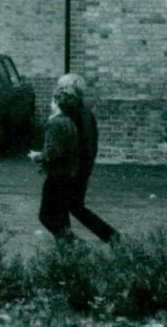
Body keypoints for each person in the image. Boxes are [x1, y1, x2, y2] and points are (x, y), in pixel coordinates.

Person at [56, 75, 116, 243]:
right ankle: (69, 243)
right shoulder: (82, 113)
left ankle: (110, 237)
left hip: (74, 171)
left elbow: (81, 146)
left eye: (61, 88)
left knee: (72, 207)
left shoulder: (77, 115)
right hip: (79, 169)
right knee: (69, 207)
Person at [30, 84, 84, 238]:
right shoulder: (69, 121)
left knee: (46, 216)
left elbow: (53, 153)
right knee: (61, 216)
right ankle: (67, 252)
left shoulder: (55, 123)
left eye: (52, 100)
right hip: (68, 175)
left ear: (57, 103)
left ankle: (72, 244)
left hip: (56, 176)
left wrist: (37, 157)